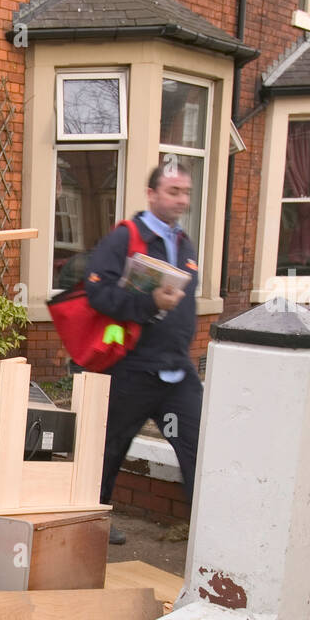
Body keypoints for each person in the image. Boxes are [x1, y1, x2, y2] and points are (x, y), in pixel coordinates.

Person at [81, 161, 203, 544]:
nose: (182, 199)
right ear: (151, 194)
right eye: (173, 191)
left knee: (199, 446)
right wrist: (149, 301)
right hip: (131, 368)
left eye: (186, 192)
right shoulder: (124, 237)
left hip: (177, 370)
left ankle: (210, 534)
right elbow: (97, 294)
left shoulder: (184, 241)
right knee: (109, 448)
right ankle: (90, 525)